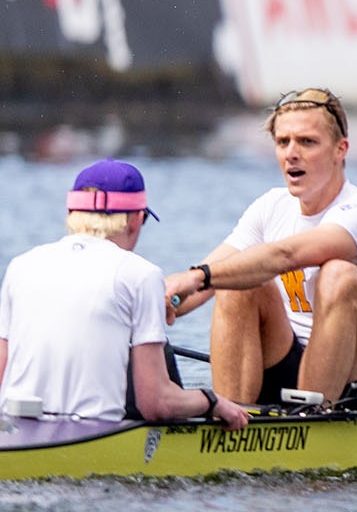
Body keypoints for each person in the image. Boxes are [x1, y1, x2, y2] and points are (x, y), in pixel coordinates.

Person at [162, 88, 357, 404]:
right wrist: (151, 302)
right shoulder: (270, 207)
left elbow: (286, 255)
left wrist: (199, 276)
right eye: (283, 142)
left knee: (338, 274)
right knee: (233, 282)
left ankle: (310, 420)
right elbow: (199, 283)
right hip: (297, 366)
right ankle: (231, 418)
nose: (291, 154)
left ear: (340, 150)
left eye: (307, 142)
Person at [0, 160, 248, 429]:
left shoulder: (20, 266)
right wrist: (212, 401)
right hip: (92, 437)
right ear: (136, 220)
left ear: (71, 213)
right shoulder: (141, 274)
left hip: (12, 431)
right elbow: (157, 405)